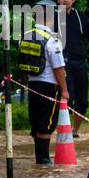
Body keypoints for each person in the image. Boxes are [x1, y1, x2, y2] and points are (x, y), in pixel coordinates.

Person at [20, 21, 69, 166]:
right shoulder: (51, 40)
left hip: (33, 84)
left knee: (36, 121)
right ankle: (43, 160)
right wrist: (65, 90)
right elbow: (58, 67)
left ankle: (40, 159)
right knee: (46, 123)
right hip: (49, 86)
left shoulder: (26, 36)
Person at [55, 0, 89, 138]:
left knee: (83, 101)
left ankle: (75, 130)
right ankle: (62, 129)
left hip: (80, 63)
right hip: (61, 64)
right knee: (67, 98)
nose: (66, 0)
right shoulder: (53, 17)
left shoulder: (81, 16)